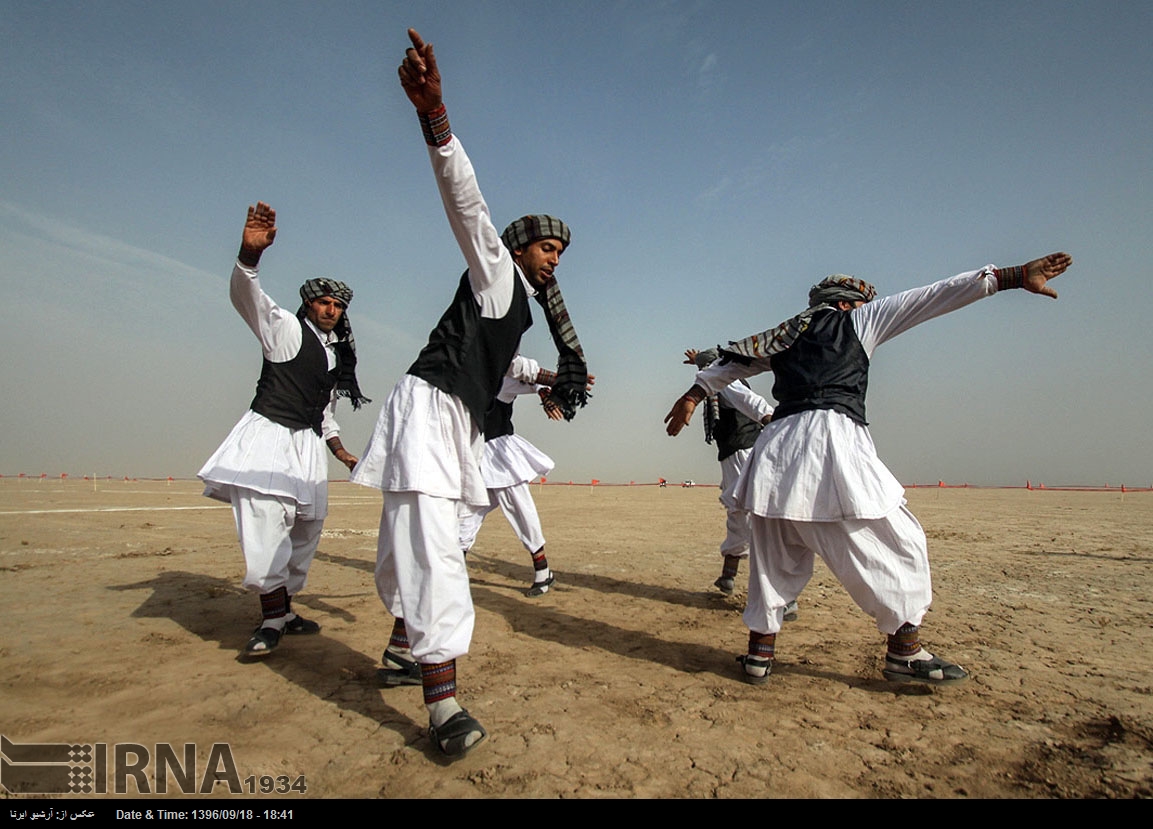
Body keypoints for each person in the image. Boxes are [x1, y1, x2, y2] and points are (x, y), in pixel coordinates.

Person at [665, 253, 1072, 685]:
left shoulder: (782, 337)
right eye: (860, 304)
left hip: (774, 452)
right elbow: (931, 297)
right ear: (846, 303)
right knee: (903, 543)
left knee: (774, 560)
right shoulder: (857, 321)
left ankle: (758, 658)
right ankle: (904, 654)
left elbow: (727, 366)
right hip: (829, 445)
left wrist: (693, 395)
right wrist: (1009, 277)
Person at [351, 29, 590, 759]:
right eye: (548, 247)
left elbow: (513, 367)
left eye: (560, 253)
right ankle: (442, 704)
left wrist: (554, 379)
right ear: (520, 247)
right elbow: (467, 201)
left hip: (455, 425)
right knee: (434, 555)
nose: (555, 259)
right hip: (430, 410)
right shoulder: (496, 271)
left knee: (419, 548)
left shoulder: (515, 309)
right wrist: (436, 117)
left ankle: (400, 646)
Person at [199, 201, 369, 658]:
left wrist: (342, 452)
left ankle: (285, 609)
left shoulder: (336, 356)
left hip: (308, 448)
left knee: (306, 531)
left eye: (337, 305)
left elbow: (326, 412)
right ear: (309, 303)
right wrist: (249, 256)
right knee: (266, 529)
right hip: (270, 440)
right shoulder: (286, 330)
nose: (331, 309)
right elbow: (246, 297)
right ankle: (271, 618)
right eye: (323, 302)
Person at [457, 369, 566, 596]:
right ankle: (453, 574)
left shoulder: (502, 380)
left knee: (521, 512)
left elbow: (531, 379)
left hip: (502, 458)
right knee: (467, 513)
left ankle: (543, 571)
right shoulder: (467, 376)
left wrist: (544, 393)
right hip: (477, 457)